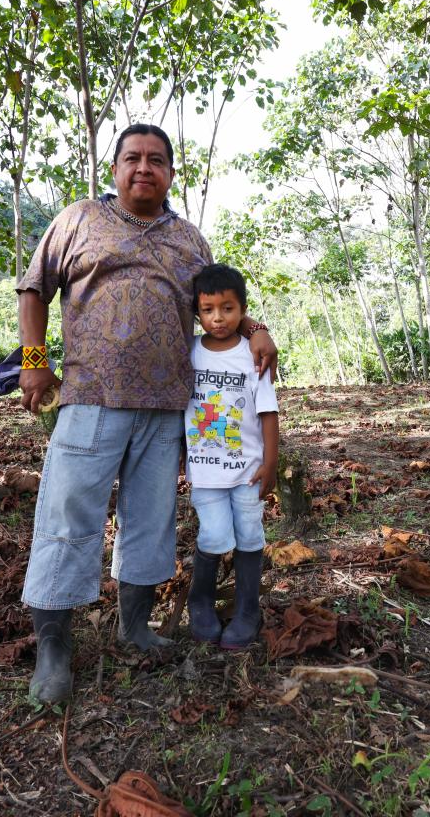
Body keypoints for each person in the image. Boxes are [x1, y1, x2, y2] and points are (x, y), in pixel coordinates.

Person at [16, 123, 277, 704]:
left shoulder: (189, 239)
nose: (143, 168)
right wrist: (34, 360)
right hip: (89, 396)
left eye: (156, 160)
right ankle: (53, 644)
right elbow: (33, 288)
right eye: (132, 158)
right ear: (114, 168)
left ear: (170, 173)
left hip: (167, 408)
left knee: (150, 518)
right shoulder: (78, 220)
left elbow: (221, 304)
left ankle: (134, 624)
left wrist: (257, 329)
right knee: (68, 513)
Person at [183, 264, 279, 650]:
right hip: (204, 471)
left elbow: (268, 412)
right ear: (197, 311)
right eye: (208, 310)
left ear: (242, 310)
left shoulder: (253, 354)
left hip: (247, 470)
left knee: (251, 535)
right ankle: (201, 602)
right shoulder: (188, 351)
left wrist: (270, 462)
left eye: (227, 308)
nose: (217, 318)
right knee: (216, 534)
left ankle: (247, 611)